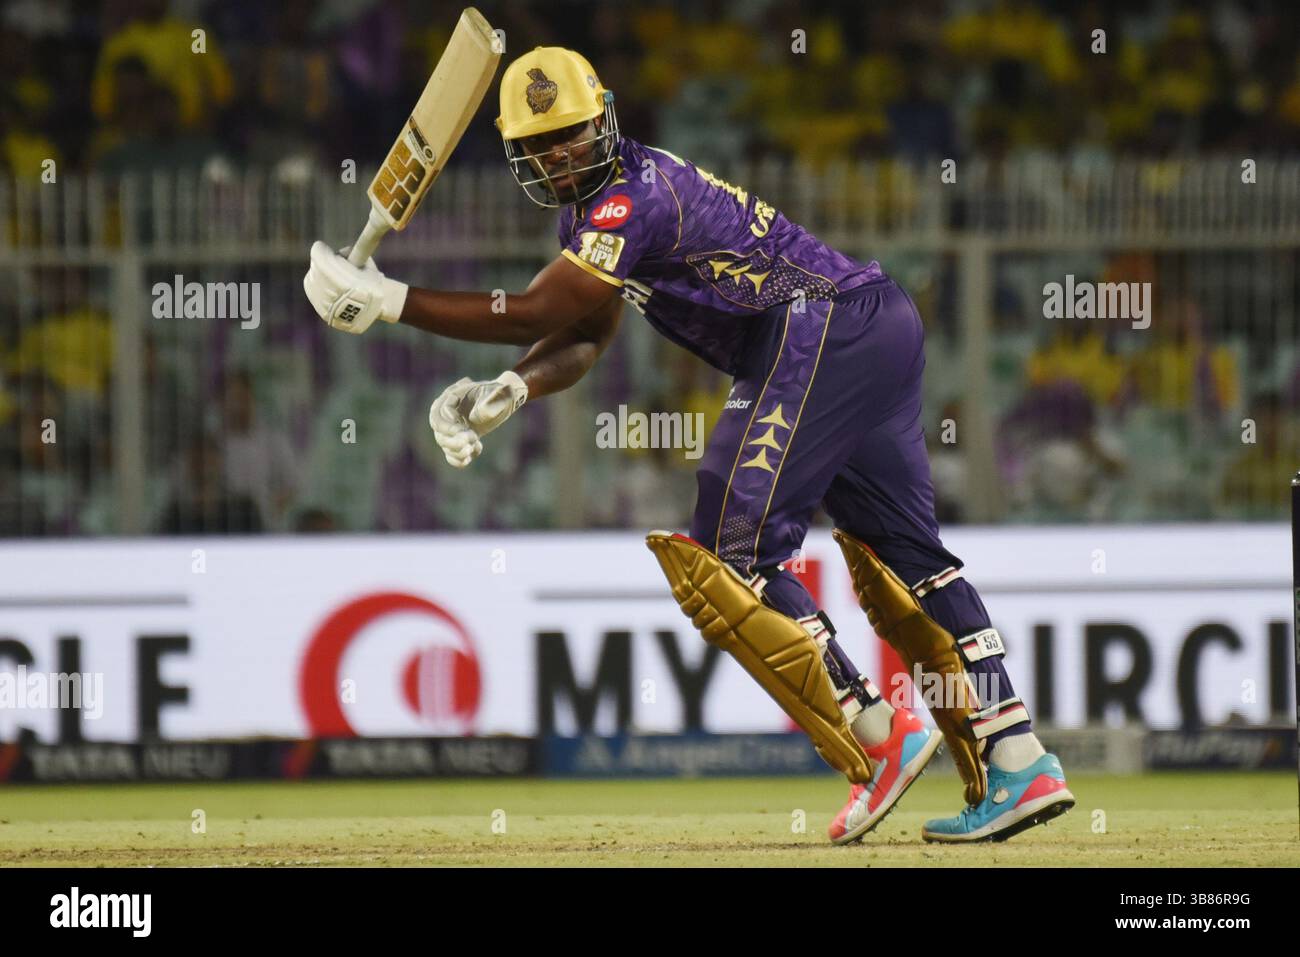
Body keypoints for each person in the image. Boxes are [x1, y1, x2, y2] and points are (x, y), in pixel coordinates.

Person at [303, 47, 1073, 844]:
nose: (561, 155)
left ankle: (881, 736)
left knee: (729, 553)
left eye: (571, 133)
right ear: (519, 157)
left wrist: (389, 300)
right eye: (541, 145)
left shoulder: (631, 197)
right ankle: (1020, 756)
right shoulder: (595, 215)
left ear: (603, 116)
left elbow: (537, 308)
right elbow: (584, 329)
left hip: (817, 325)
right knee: (911, 560)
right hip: (871, 324)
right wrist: (515, 388)